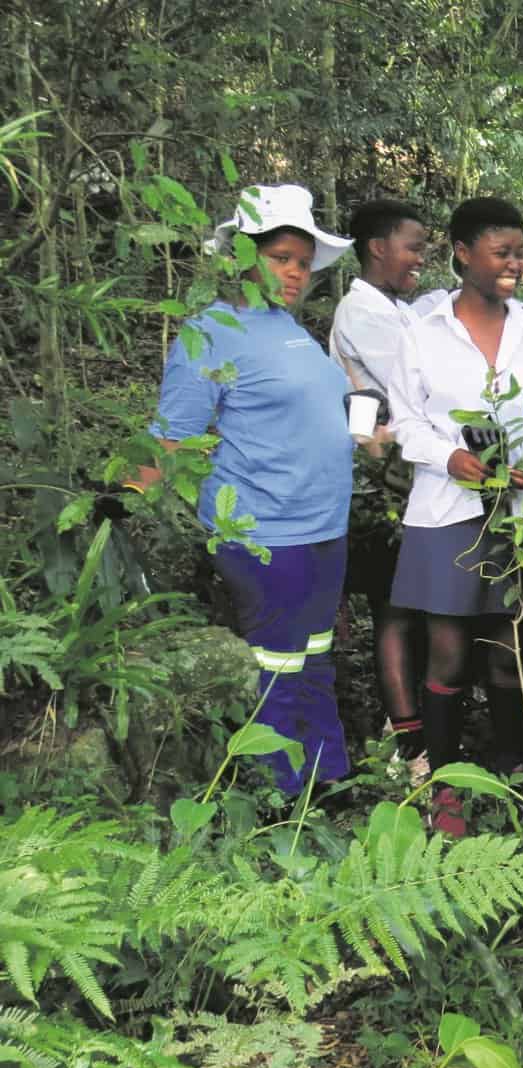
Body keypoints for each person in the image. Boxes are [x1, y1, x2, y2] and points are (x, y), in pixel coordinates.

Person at [149, 183, 354, 795]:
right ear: (241, 256)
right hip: (265, 534)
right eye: (279, 257)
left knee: (314, 657)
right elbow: (171, 440)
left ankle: (326, 778)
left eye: (301, 261)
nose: (294, 271)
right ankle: (279, 795)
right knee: (278, 666)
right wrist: (120, 505)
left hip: (322, 529)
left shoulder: (288, 328)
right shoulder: (210, 333)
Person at [388, 197, 523, 833]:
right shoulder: (423, 332)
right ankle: (445, 786)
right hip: (447, 511)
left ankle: (517, 776)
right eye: (502, 252)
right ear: (463, 254)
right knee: (449, 651)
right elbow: (404, 421)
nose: (517, 263)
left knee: (509, 650)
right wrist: (449, 456)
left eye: (520, 251)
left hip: (520, 514)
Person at [330, 199, 441, 781]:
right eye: (413, 246)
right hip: (383, 488)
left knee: (412, 612)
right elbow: (417, 389)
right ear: (378, 247)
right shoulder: (364, 314)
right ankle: (409, 745)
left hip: (402, 475)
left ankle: (411, 734)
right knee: (395, 614)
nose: (422, 258)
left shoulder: (395, 310)